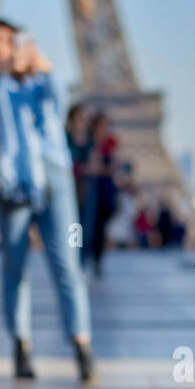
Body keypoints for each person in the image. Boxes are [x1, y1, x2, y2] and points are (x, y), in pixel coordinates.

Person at [0, 20, 96, 384]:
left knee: (66, 264)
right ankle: (21, 346)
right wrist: (2, 72)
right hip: (10, 180)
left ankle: (81, 344)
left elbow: (58, 107)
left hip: (51, 174)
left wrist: (43, 64)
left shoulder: (43, 81)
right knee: (13, 265)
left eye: (3, 41)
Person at [81, 110, 119, 278]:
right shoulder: (89, 143)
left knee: (100, 227)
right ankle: (80, 258)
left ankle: (96, 259)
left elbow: (113, 167)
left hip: (104, 190)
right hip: (89, 188)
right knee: (84, 225)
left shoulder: (109, 144)